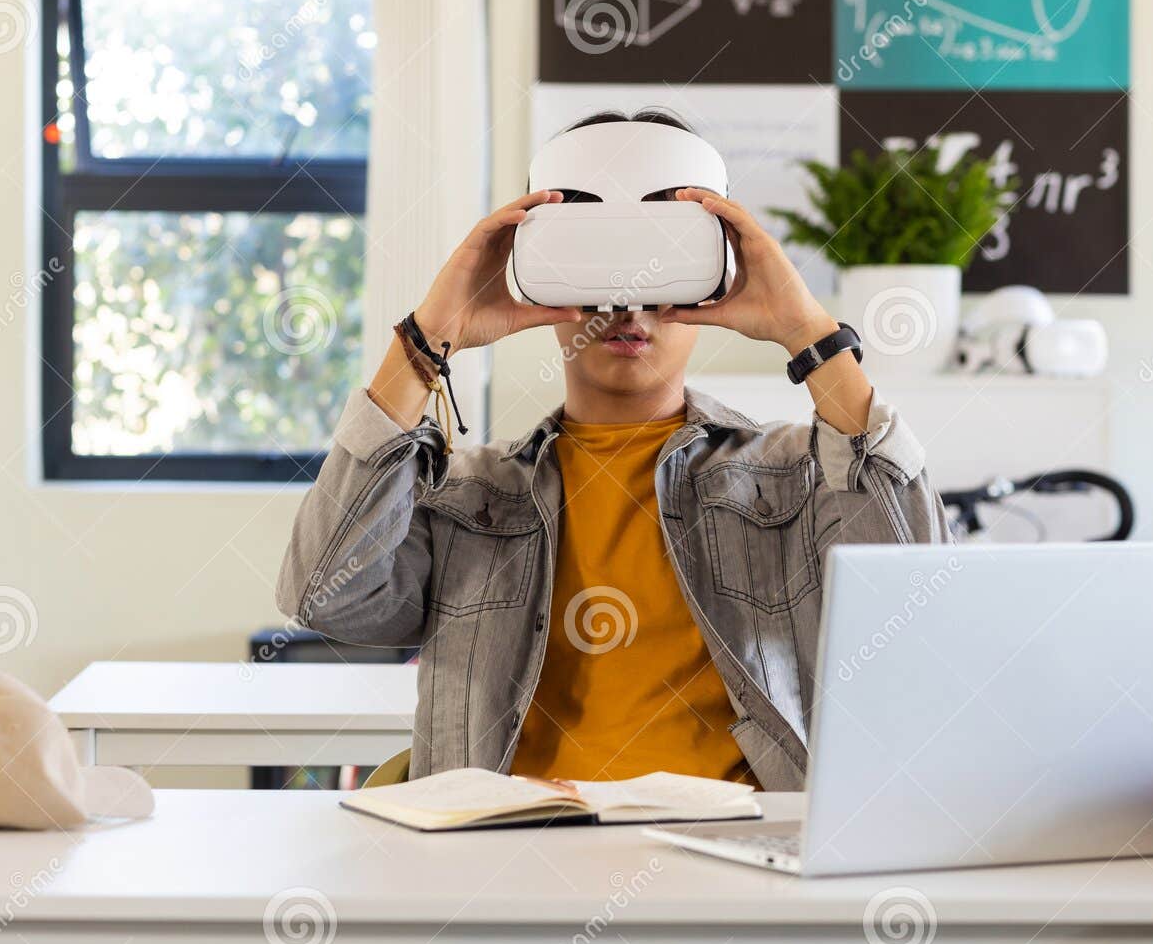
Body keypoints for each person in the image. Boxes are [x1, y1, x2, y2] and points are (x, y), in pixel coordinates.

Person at [276, 111, 950, 791]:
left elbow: (918, 598)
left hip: (730, 858)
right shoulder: (466, 492)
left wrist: (811, 333)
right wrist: (421, 347)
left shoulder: (790, 475)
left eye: (662, 271)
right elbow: (326, 598)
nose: (629, 305)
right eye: (599, 267)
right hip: (504, 858)